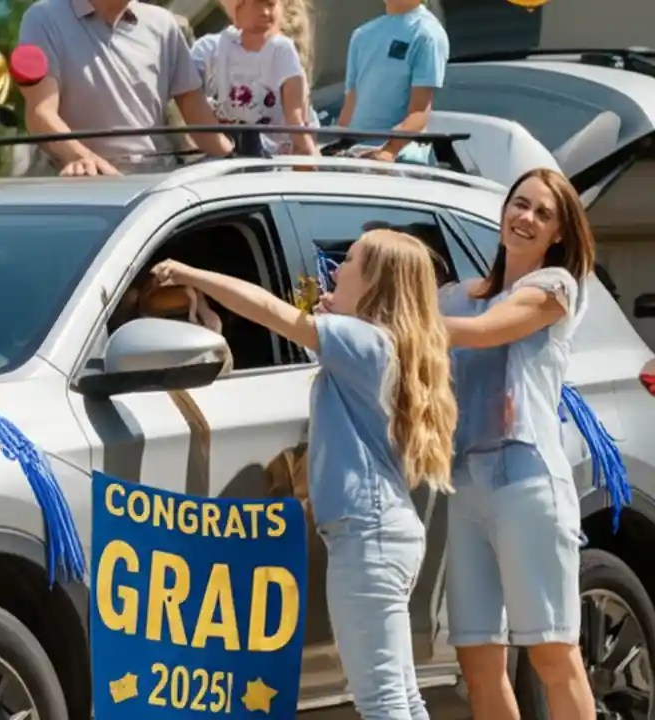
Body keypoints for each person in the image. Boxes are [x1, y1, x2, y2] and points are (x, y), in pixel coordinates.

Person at [153, 228, 457, 719]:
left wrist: (191, 274)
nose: (336, 270)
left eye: (351, 261)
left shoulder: (363, 342)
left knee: (381, 702)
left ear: (378, 282)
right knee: (402, 696)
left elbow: (272, 312)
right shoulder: (384, 345)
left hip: (368, 538)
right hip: (385, 533)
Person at [438, 167, 597, 719]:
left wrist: (409, 321)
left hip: (527, 483)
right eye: (519, 204)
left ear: (559, 233)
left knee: (553, 653)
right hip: (463, 487)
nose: (525, 218)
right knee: (478, 660)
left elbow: (491, 332)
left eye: (542, 213)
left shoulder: (556, 288)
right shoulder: (457, 297)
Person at [17, 0, 234, 177]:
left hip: (155, 189)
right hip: (81, 186)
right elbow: (40, 113)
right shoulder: (44, 18)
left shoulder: (162, 24)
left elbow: (198, 117)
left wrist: (236, 159)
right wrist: (81, 158)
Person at [191, 0, 319, 155]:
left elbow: (295, 113)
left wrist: (302, 144)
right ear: (237, 9)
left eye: (270, 5)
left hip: (276, 161)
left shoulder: (283, 50)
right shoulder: (207, 50)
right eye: (256, 4)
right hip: (224, 157)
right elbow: (187, 101)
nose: (264, 12)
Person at [336, 0, 449, 164]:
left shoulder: (427, 33)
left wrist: (388, 151)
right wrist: (337, 146)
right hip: (354, 156)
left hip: (401, 161)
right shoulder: (361, 35)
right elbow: (350, 106)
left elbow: (419, 112)